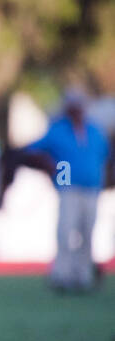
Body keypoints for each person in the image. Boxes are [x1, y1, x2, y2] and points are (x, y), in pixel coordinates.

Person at [24, 88, 109, 292]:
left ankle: (83, 276)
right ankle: (61, 275)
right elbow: (33, 150)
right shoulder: (58, 130)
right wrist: (49, 166)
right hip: (67, 185)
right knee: (66, 230)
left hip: (91, 187)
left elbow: (104, 156)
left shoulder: (94, 130)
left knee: (87, 231)